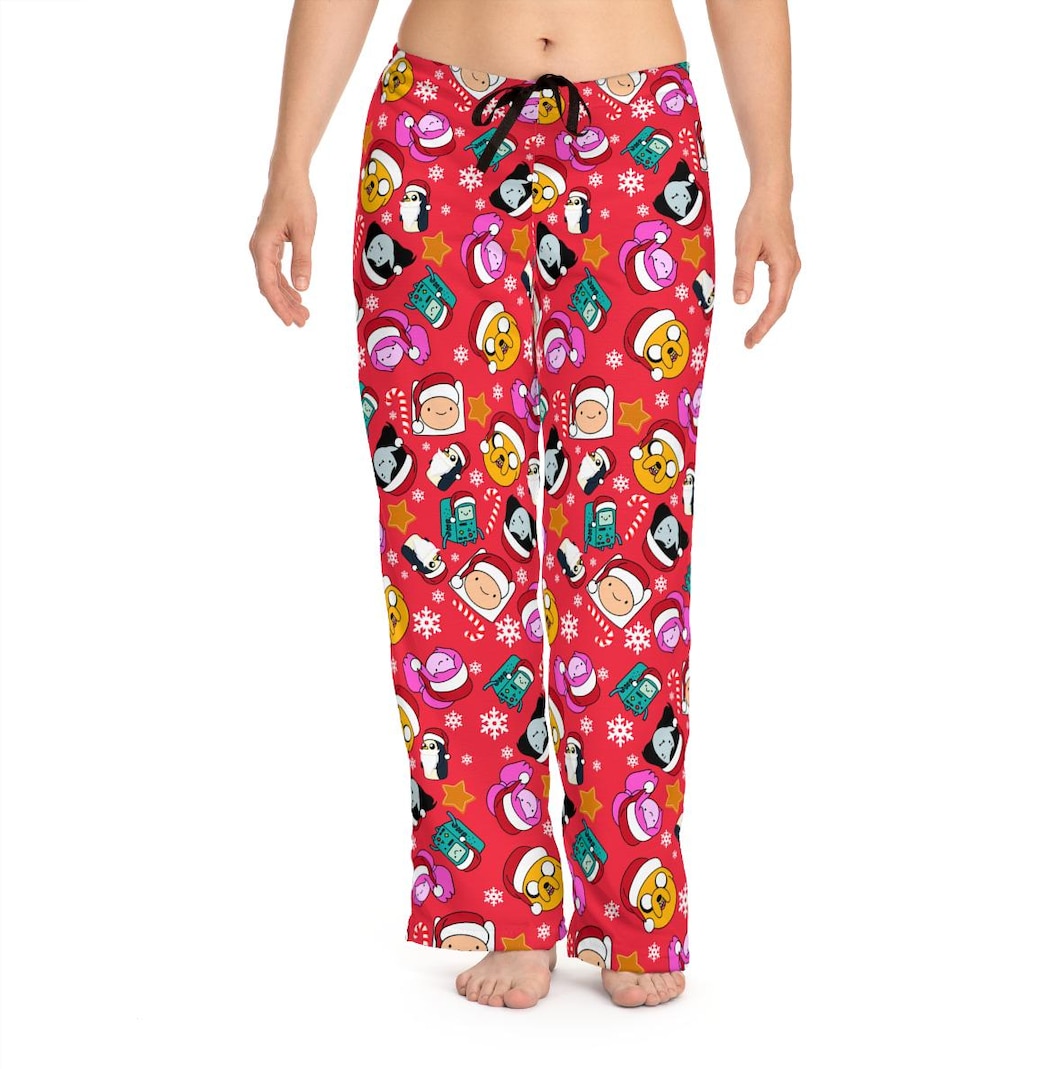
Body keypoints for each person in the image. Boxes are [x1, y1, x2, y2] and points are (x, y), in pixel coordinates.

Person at [249, 0, 800, 1010]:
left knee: (628, 541)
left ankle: (634, 906)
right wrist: (292, 159)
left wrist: (775, 176)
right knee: (444, 536)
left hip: (635, 135)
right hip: (436, 132)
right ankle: (507, 902)